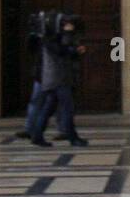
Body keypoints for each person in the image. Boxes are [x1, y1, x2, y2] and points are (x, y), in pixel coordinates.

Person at [30, 17, 87, 148]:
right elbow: (61, 51)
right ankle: (73, 137)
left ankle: (37, 135)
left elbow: (68, 51)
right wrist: (70, 40)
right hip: (57, 79)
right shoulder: (49, 38)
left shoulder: (54, 37)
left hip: (57, 78)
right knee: (67, 108)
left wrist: (76, 50)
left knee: (49, 107)